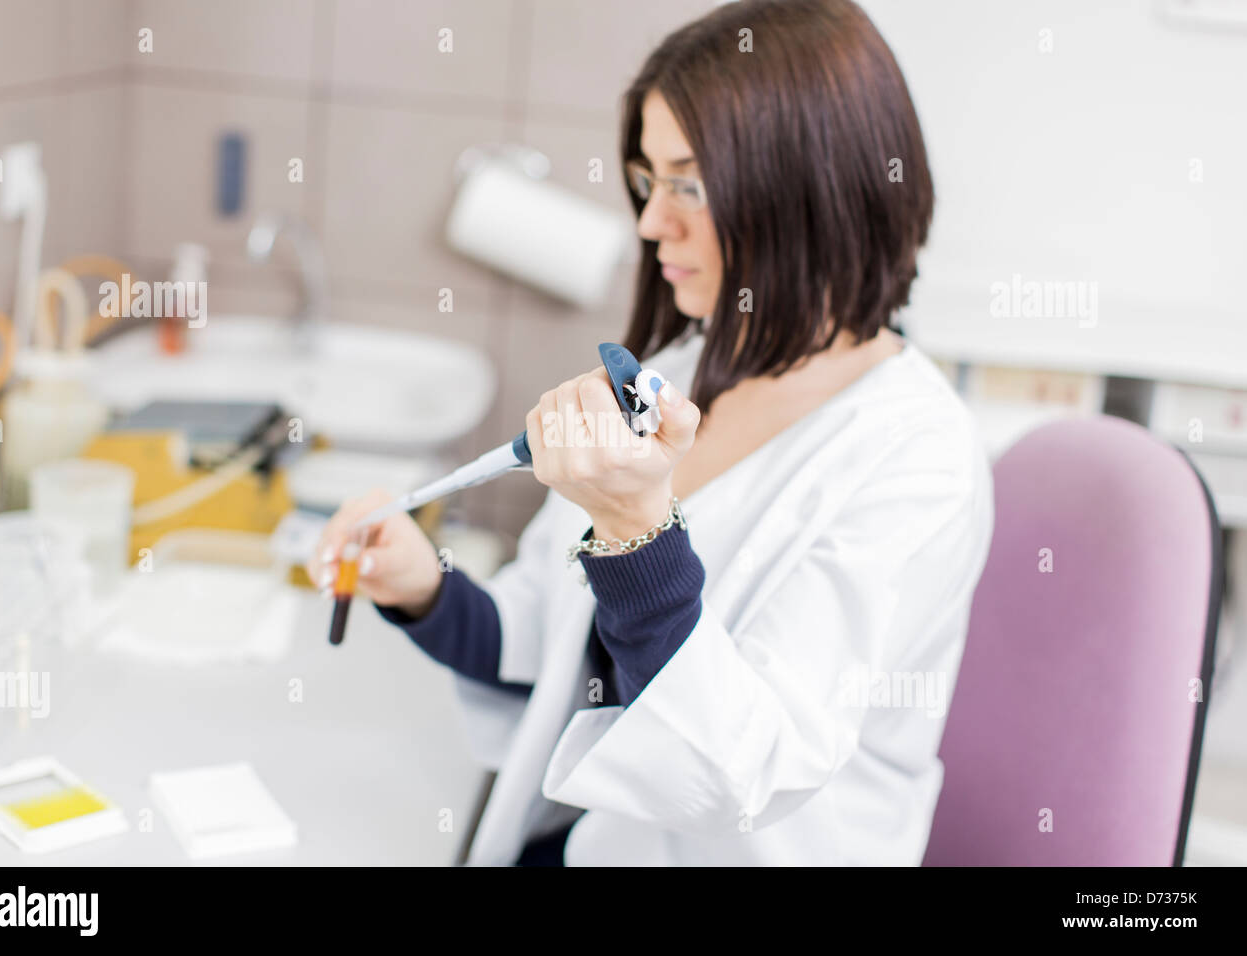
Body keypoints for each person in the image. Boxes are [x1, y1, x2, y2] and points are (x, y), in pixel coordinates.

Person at [311, 0, 994, 866]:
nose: (649, 223)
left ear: (813, 189)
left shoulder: (915, 458)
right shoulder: (691, 359)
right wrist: (426, 588)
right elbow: (556, 646)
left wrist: (637, 529)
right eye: (647, 181)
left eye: (689, 186)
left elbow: (736, 773)